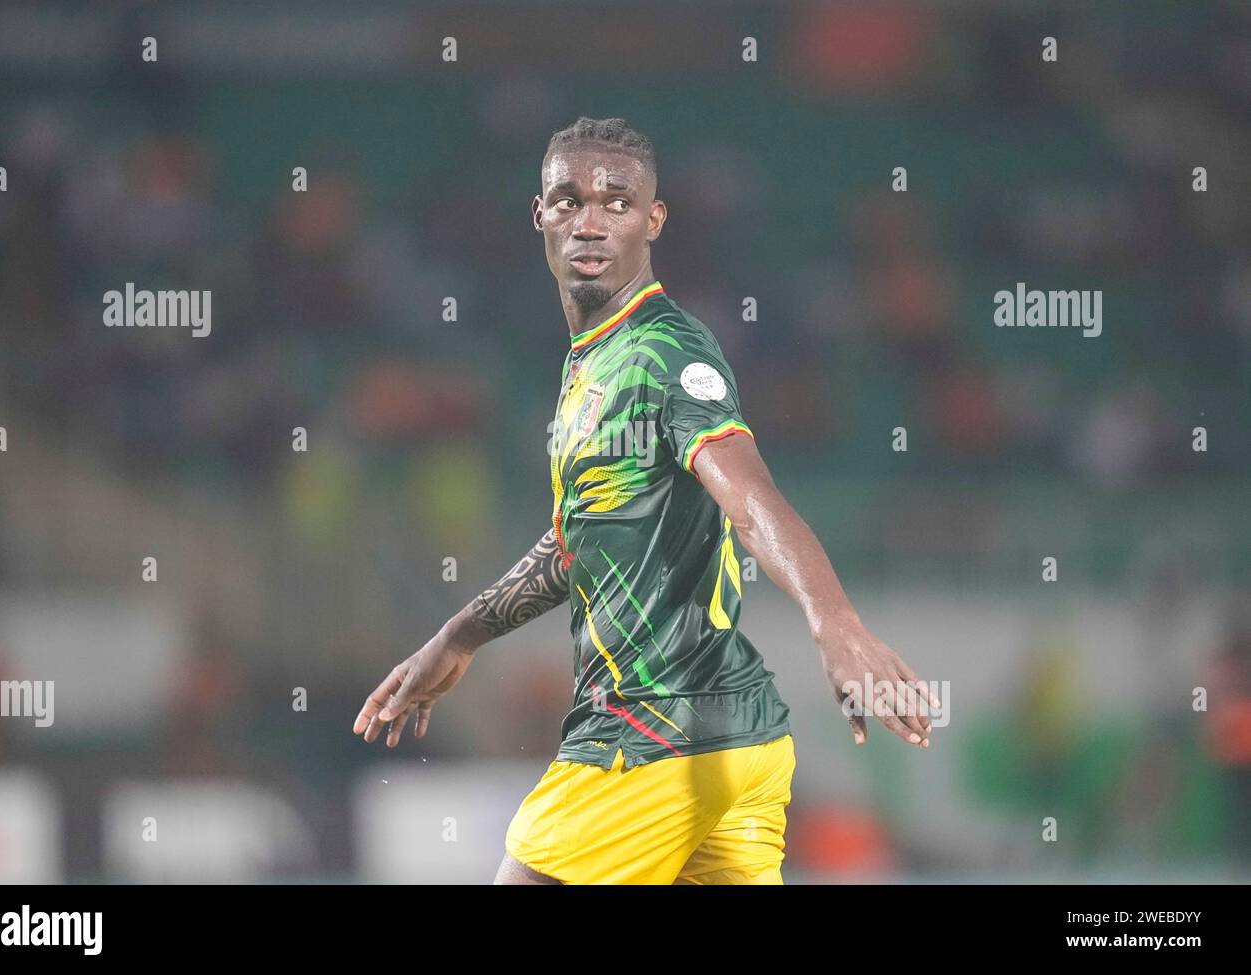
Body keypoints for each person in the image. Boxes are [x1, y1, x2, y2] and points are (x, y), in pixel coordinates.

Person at [353, 117, 935, 884]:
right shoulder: (587, 369)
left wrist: (835, 621)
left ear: (652, 219)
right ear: (540, 216)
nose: (590, 220)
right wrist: (459, 635)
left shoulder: (668, 351)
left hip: (652, 728)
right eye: (568, 201)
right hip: (737, 744)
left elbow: (750, 495)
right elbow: (576, 544)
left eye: (616, 202)